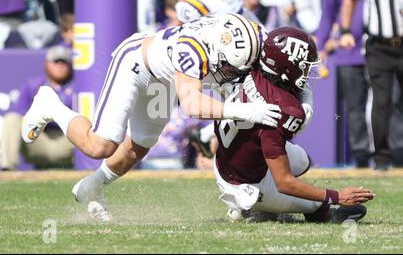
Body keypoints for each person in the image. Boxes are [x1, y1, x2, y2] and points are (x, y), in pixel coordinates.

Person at [21, 13, 282, 221]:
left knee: (139, 146)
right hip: (138, 64)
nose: (230, 74)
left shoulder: (255, 37)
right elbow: (192, 104)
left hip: (167, 76)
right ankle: (49, 103)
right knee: (101, 145)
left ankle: (93, 187)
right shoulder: (193, 49)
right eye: (228, 67)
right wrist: (245, 109)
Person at [213, 27, 375, 223]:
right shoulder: (280, 111)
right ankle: (246, 205)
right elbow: (284, 182)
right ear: (287, 66)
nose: (307, 72)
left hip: (227, 157)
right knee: (318, 206)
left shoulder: (253, 66)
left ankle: (260, 203)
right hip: (244, 183)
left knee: (303, 161)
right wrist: (337, 196)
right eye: (304, 66)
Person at [340, 0, 403, 169]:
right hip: (379, 47)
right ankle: (382, 157)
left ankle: (399, 152)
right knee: (382, 100)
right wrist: (346, 30)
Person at [316, 0, 374, 167]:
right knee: (355, 107)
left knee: (388, 104)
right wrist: (321, 46)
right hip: (349, 53)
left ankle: (389, 154)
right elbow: (328, 13)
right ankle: (361, 157)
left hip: (381, 51)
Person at [0, 45, 74, 171]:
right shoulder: (33, 85)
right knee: (12, 119)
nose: (60, 65)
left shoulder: (80, 87)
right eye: (56, 61)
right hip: (39, 137)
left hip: (67, 140)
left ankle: (93, 169)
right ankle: (7, 169)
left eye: (64, 62)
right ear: (47, 64)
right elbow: (21, 115)